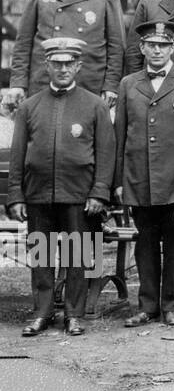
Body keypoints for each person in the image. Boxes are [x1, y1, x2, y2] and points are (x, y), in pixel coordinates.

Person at [8, 38, 116, 337]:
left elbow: (106, 154)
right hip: (39, 194)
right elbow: (18, 154)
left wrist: (99, 192)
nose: (63, 69)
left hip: (79, 195)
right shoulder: (30, 107)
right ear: (48, 66)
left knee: (77, 255)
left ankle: (73, 314)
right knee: (41, 255)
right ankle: (42, 312)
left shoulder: (94, 105)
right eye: (57, 64)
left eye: (69, 63)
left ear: (78, 66)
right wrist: (16, 195)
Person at [114, 21, 174, 328]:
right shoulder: (128, 84)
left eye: (163, 45)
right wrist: (118, 181)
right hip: (139, 178)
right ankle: (146, 306)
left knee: (173, 243)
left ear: (173, 48)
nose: (157, 50)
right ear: (141, 48)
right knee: (145, 243)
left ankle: (171, 305)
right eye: (151, 45)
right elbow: (120, 136)